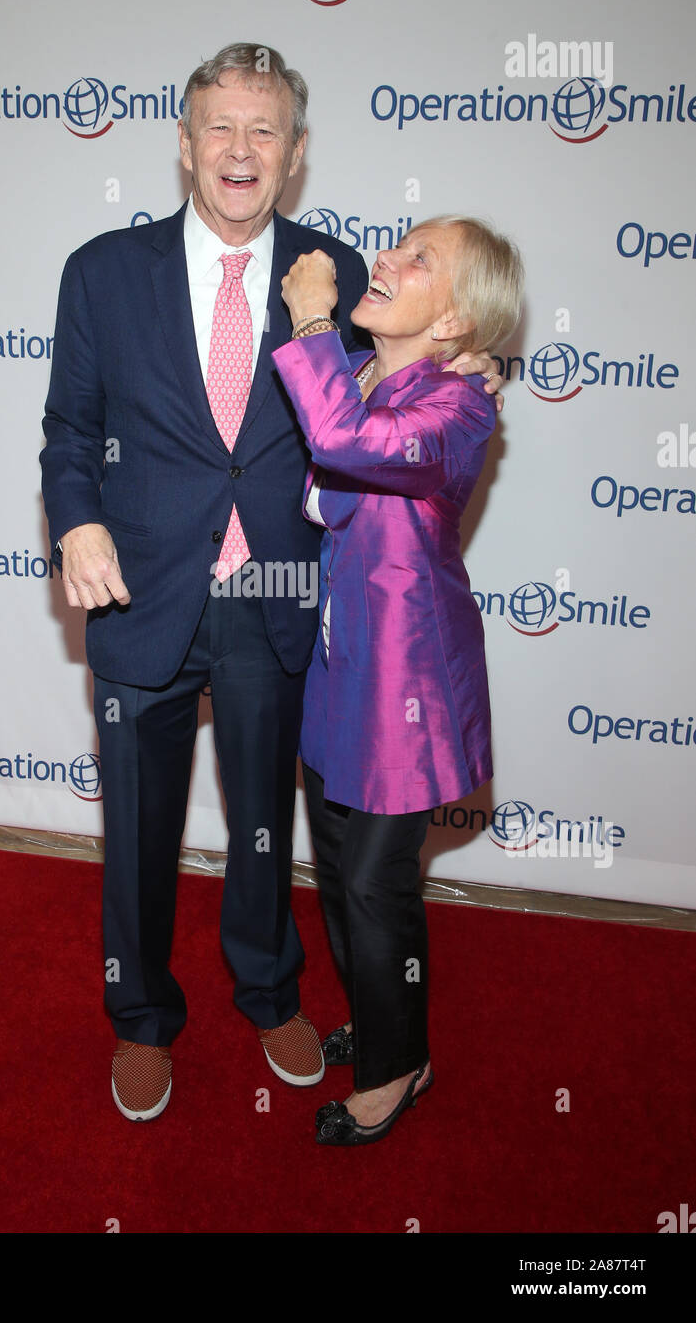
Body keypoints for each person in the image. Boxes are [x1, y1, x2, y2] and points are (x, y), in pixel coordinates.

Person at [40, 42, 503, 1123]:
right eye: (219, 126)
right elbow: (70, 429)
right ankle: (142, 1017)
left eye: (264, 131)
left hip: (283, 599)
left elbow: (399, 387)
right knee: (139, 832)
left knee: (265, 822)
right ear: (183, 143)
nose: (238, 150)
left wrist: (474, 356)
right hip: (142, 591)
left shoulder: (345, 275)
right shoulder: (101, 272)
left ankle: (267, 989)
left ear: (294, 155)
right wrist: (77, 518)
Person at [273, 217, 523, 1145]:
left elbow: (342, 441)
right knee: (338, 872)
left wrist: (307, 325)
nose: (386, 260)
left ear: (454, 317)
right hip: (343, 663)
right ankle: (384, 1024)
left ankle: (398, 1068)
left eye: (419, 261)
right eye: (398, 245)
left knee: (378, 885)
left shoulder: (461, 406)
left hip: (406, 684)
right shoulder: (371, 368)